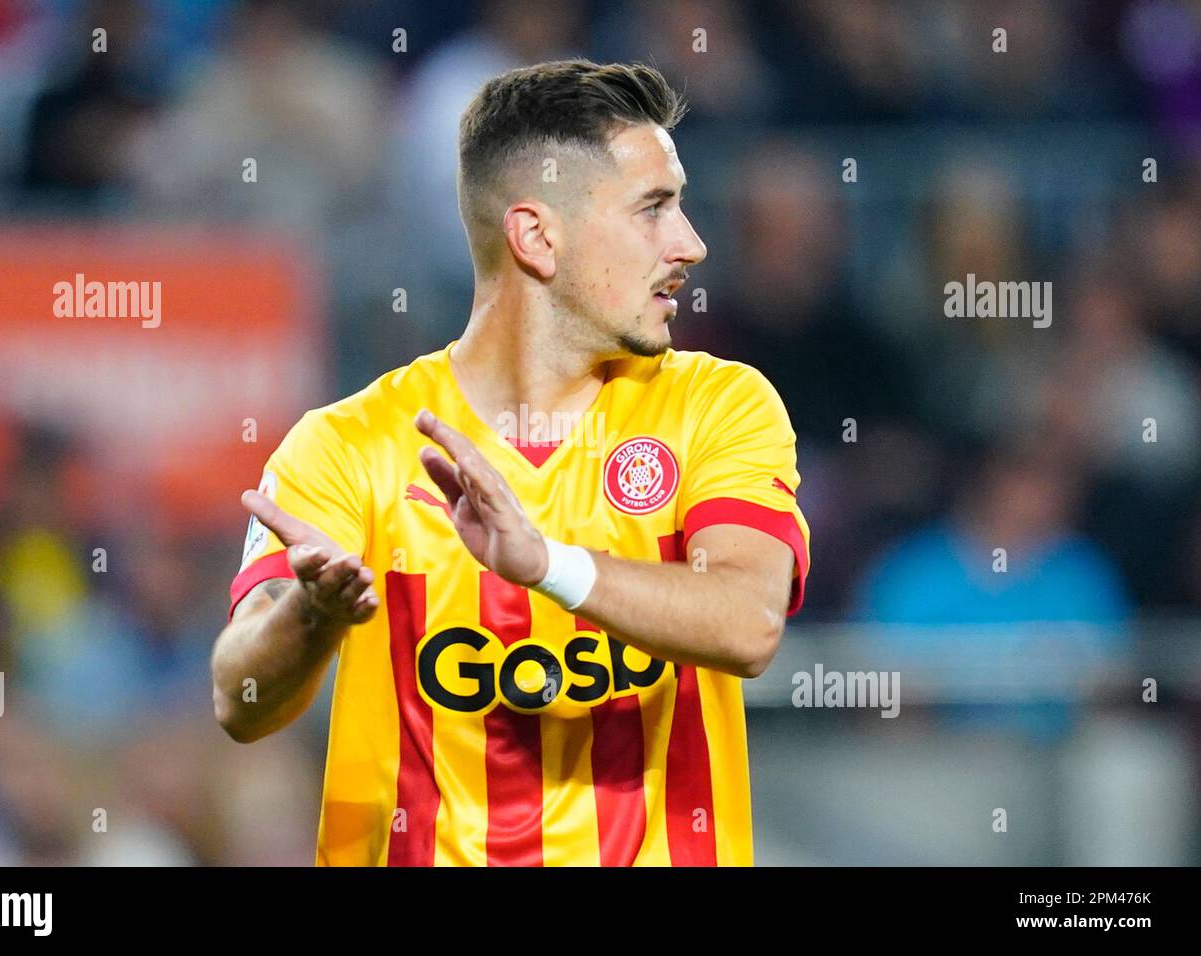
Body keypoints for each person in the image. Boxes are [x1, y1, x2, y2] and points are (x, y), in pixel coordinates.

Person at [210, 60, 810, 866]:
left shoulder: (714, 407)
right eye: (653, 209)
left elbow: (747, 621)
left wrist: (547, 566)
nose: (691, 244)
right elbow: (239, 700)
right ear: (536, 236)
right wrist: (311, 615)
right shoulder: (348, 446)